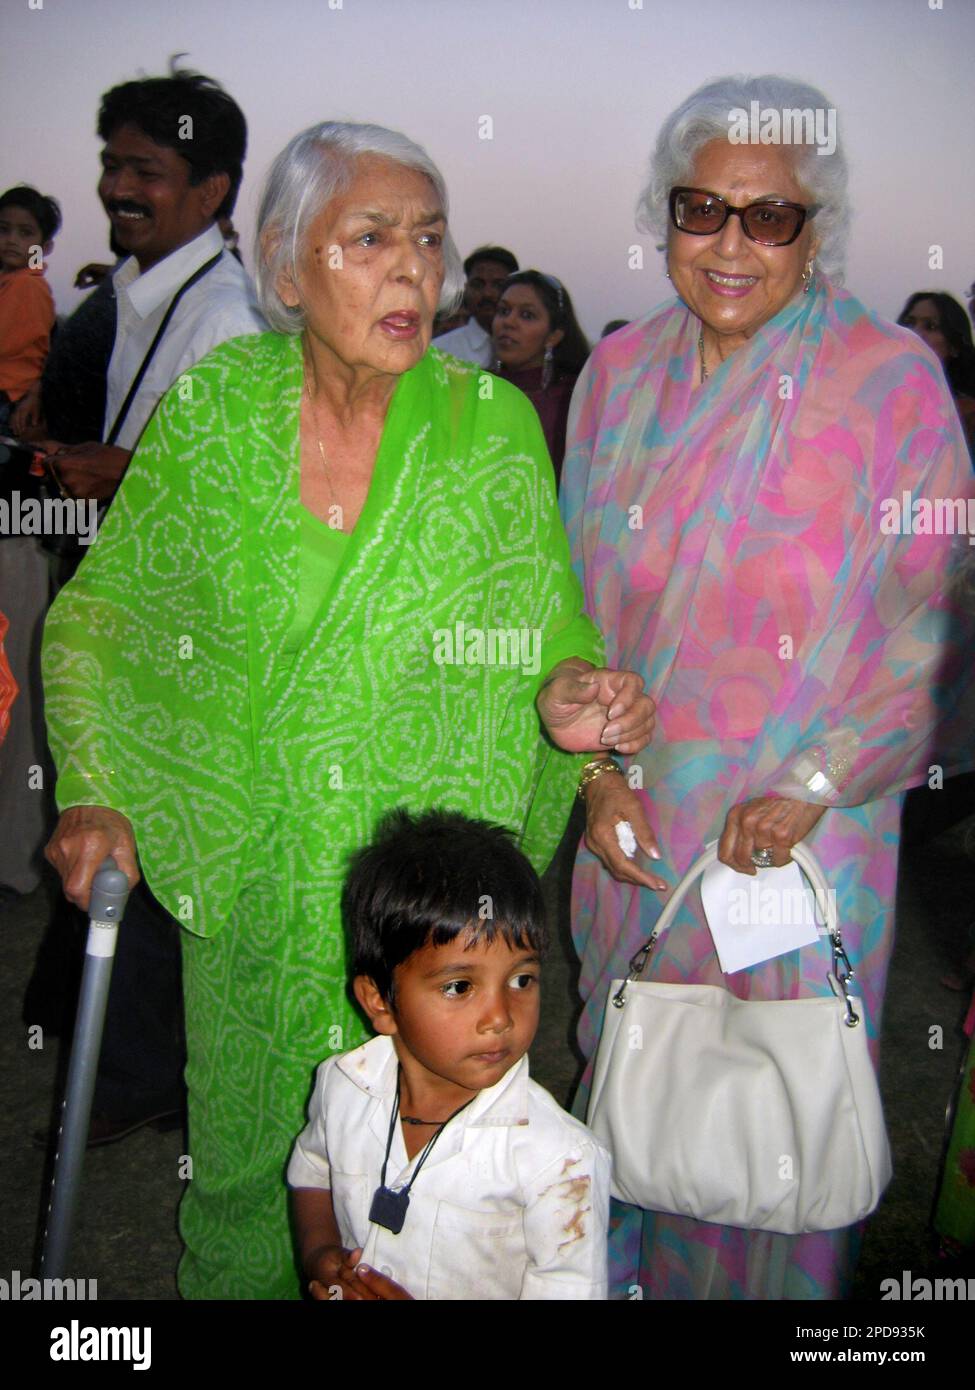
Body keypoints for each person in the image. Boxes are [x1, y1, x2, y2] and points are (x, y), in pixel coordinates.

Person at [42, 120, 655, 1298]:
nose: (414, 270)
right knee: (252, 1180)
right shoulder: (218, 411)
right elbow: (106, 617)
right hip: (262, 894)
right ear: (285, 267)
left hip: (426, 920)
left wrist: (581, 716)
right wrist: (95, 790)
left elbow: (549, 628)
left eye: (430, 239)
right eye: (369, 237)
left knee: (431, 1206)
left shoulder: (490, 429)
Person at [560, 74, 975, 1300]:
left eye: (771, 216)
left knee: (770, 1129)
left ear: (817, 229)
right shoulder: (618, 379)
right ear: (666, 214)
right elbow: (569, 613)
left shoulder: (888, 384)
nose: (732, 242)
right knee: (636, 1100)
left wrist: (810, 781)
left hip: (808, 842)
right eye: (703, 208)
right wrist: (590, 775)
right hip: (635, 833)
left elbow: (940, 619)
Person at [289, 807, 611, 1301]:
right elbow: (312, 1171)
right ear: (380, 1002)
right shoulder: (342, 1085)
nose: (500, 1016)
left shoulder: (560, 1161)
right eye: (460, 986)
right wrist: (321, 1254)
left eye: (521, 980)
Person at [38, 62, 264, 501]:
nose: (116, 190)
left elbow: (247, 503)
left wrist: (130, 478)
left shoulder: (231, 326)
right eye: (112, 166)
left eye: (146, 173)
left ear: (210, 191)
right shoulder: (134, 289)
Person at [492, 270, 589, 484]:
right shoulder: (475, 386)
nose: (509, 322)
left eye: (527, 315)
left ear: (554, 336)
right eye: (503, 310)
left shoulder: (572, 399)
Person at [0, 185, 61, 430]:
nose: (12, 240)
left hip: (6, 395)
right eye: (3, 229)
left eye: (26, 233)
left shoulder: (28, 285)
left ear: (43, 249)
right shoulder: (10, 281)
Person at [897, 291, 975, 456]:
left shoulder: (967, 415)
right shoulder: (879, 402)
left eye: (930, 326)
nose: (915, 333)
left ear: (954, 347)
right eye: (909, 323)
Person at [433, 245, 517, 365]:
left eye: (498, 284)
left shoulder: (532, 348)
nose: (488, 294)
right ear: (466, 288)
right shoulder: (440, 351)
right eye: (478, 285)